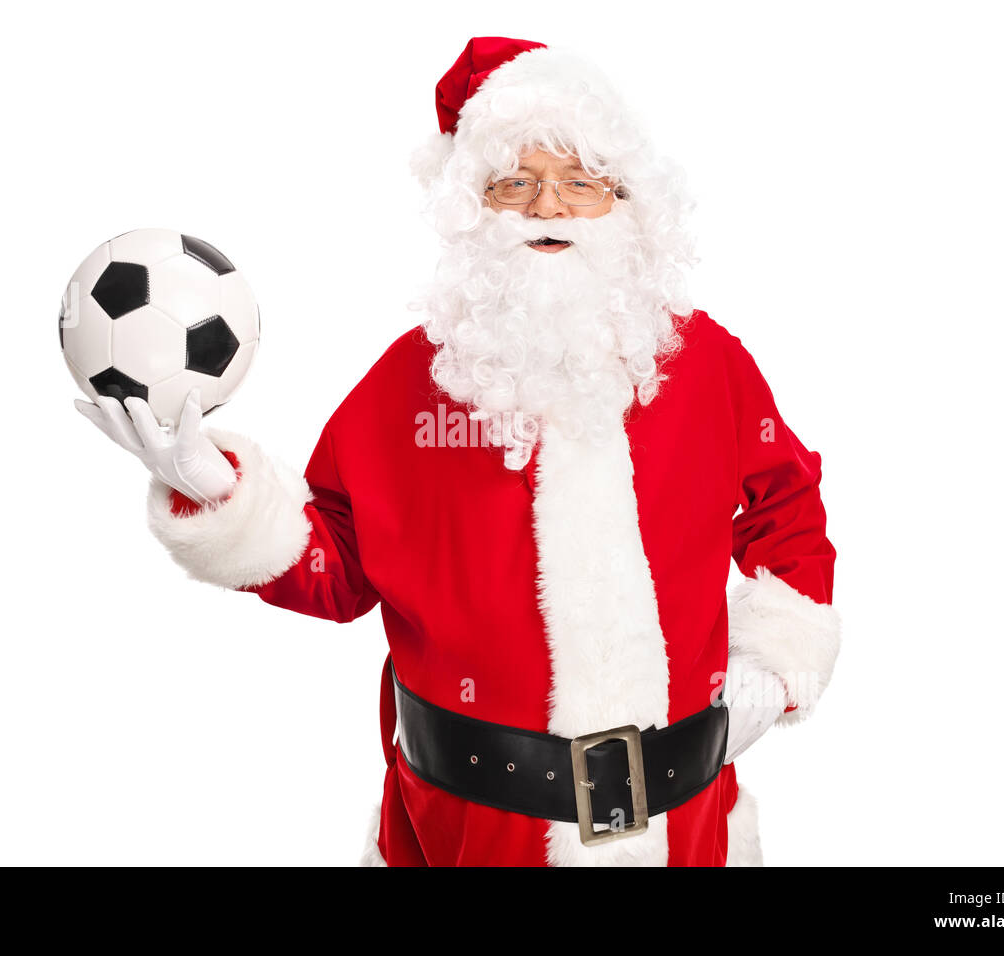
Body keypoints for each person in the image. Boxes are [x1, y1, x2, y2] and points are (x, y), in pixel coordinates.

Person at [75, 36, 841, 867]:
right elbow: (336, 568)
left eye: (580, 182)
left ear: (628, 205)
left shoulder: (706, 365)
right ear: (474, 211)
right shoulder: (413, 381)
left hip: (682, 829)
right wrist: (221, 496)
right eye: (516, 183)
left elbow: (787, 503)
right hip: (468, 832)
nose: (547, 206)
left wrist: (778, 657)